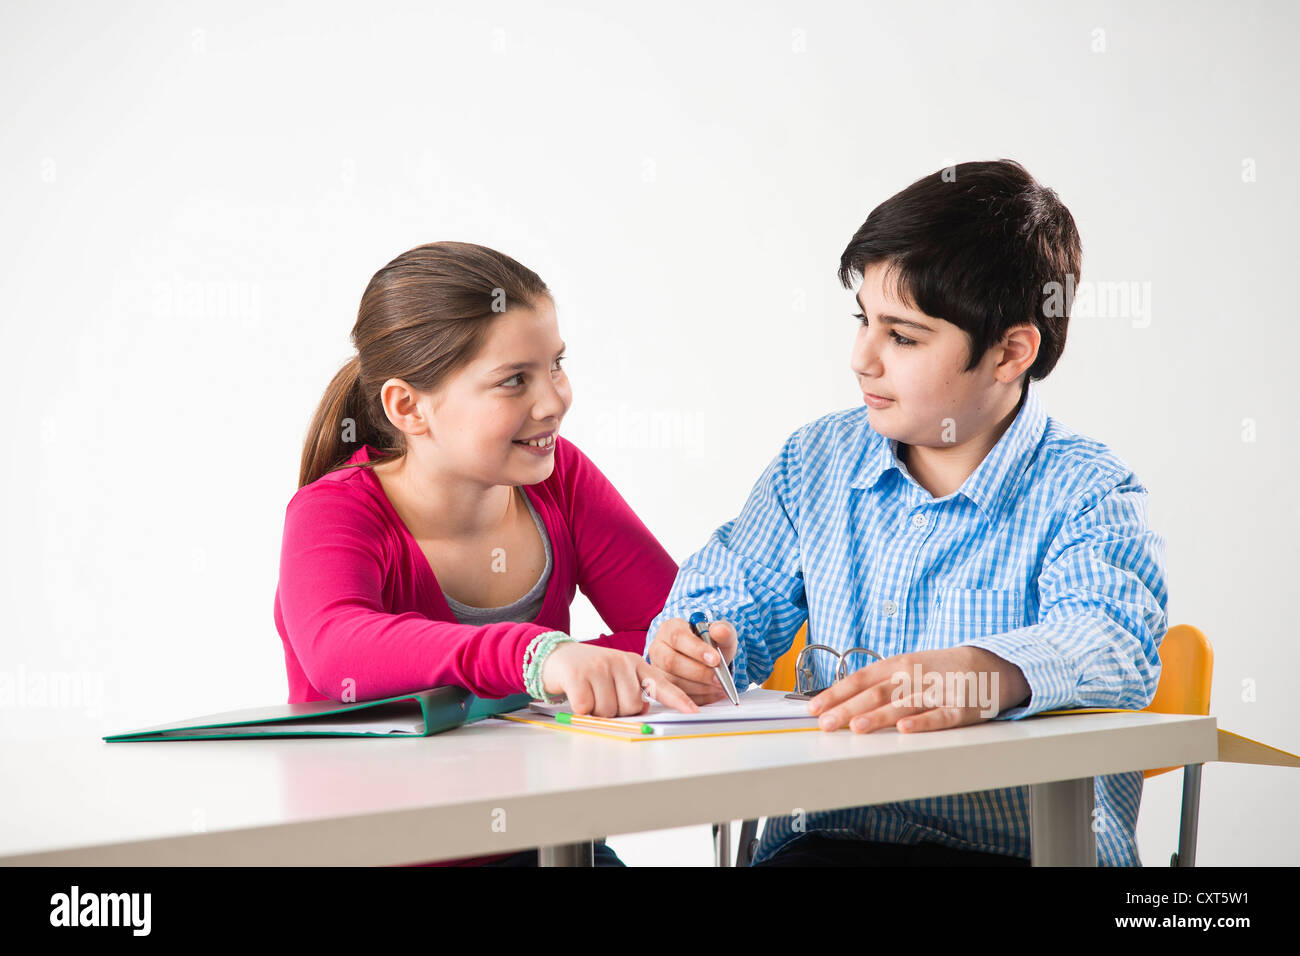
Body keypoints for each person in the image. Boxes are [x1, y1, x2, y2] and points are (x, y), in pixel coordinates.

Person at [645, 160, 1168, 866]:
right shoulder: (816, 461)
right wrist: (699, 644)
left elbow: (1113, 642)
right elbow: (734, 587)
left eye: (904, 336)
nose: (863, 357)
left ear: (1011, 351)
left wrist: (985, 671)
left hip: (1013, 852)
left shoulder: (1088, 490)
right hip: (824, 842)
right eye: (864, 320)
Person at [275, 241, 696, 866]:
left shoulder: (562, 480)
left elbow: (667, 621)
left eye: (555, 364)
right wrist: (538, 657)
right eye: (513, 381)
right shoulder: (334, 512)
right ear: (408, 407)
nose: (553, 400)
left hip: (547, 840)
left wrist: (669, 652)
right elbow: (342, 648)